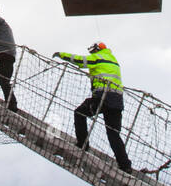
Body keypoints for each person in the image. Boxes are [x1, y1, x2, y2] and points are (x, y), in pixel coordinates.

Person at [54, 42, 132, 172]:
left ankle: (83, 144)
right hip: (117, 100)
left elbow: (80, 61)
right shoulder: (113, 60)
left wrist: (61, 55)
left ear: (97, 50)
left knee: (80, 113)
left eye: (93, 51)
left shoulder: (98, 57)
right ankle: (125, 165)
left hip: (103, 97)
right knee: (113, 134)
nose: (92, 54)